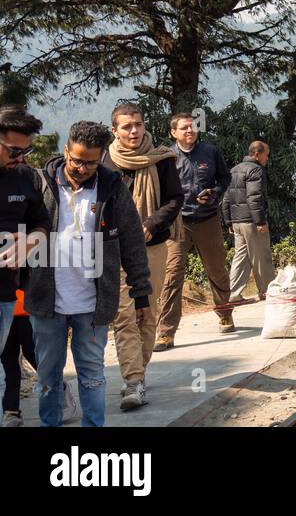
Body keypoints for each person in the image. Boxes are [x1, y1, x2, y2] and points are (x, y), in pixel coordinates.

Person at [26, 122, 152, 427]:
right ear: (66, 150)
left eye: (91, 162)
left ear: (101, 158)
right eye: (76, 160)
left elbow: (132, 242)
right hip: (47, 300)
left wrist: (141, 293)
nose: (82, 168)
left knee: (93, 377)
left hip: (94, 303)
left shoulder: (112, 188)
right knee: (48, 378)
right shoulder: (41, 183)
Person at [102, 102, 184, 411]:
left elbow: (176, 198)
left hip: (153, 245)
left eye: (138, 124)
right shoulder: (105, 163)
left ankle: (139, 371)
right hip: (116, 249)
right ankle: (132, 381)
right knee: (123, 315)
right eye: (127, 126)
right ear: (115, 130)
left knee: (147, 313)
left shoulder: (162, 159)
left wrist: (151, 224)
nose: (134, 131)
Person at [155, 113, 234, 349]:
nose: (189, 131)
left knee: (217, 269)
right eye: (184, 128)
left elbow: (225, 177)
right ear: (174, 133)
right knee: (172, 275)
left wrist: (215, 194)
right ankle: (166, 332)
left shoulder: (210, 152)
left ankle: (224, 313)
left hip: (208, 220)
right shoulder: (166, 157)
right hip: (178, 223)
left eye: (192, 127)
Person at [0, 108, 52, 390]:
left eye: (26, 151)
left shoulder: (25, 177)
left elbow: (41, 221)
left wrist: (31, 241)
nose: (20, 158)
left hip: (6, 295)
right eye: (12, 151)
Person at [225, 142, 275, 303]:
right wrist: (260, 221)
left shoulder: (234, 170)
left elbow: (226, 199)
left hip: (237, 222)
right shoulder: (256, 170)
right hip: (251, 221)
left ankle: (233, 294)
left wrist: (228, 221)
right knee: (262, 257)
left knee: (241, 257)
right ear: (257, 154)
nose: (267, 158)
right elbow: (254, 198)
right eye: (266, 154)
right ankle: (268, 291)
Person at [1, 289, 35, 426]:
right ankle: (11, 410)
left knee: (33, 354)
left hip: (26, 305)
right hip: (4, 304)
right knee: (8, 360)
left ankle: (58, 389)